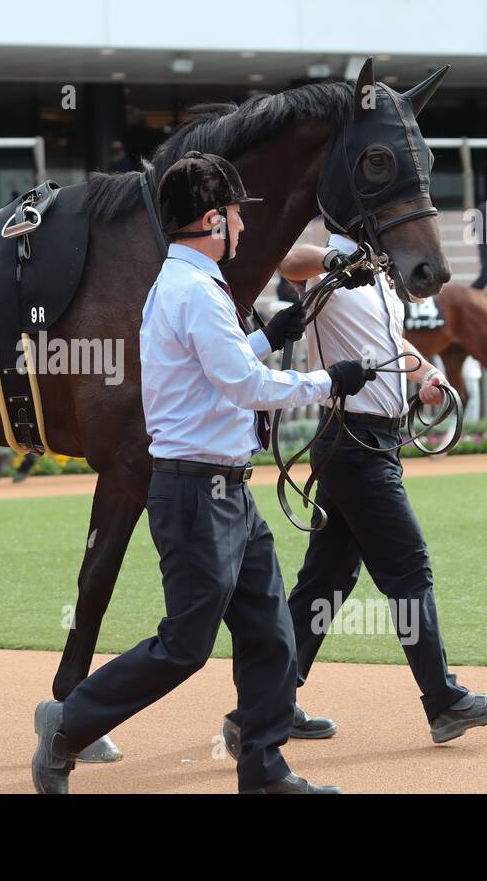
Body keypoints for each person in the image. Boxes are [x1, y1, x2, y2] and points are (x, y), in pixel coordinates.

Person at [31, 151, 373, 795]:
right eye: (238, 215)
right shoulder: (197, 290)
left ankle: (266, 770)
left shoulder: (187, 285)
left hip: (222, 491)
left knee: (270, 632)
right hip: (197, 493)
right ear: (214, 221)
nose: (243, 227)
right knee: (185, 645)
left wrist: (270, 335)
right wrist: (333, 381)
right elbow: (242, 386)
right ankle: (68, 726)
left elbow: (214, 369)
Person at [256, 232, 487, 749]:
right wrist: (339, 256)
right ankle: (444, 703)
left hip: (368, 441)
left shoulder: (380, 273)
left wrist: (428, 375)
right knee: (408, 569)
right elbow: (287, 260)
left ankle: (266, 705)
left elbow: (391, 345)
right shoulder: (328, 262)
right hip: (354, 443)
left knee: (325, 582)